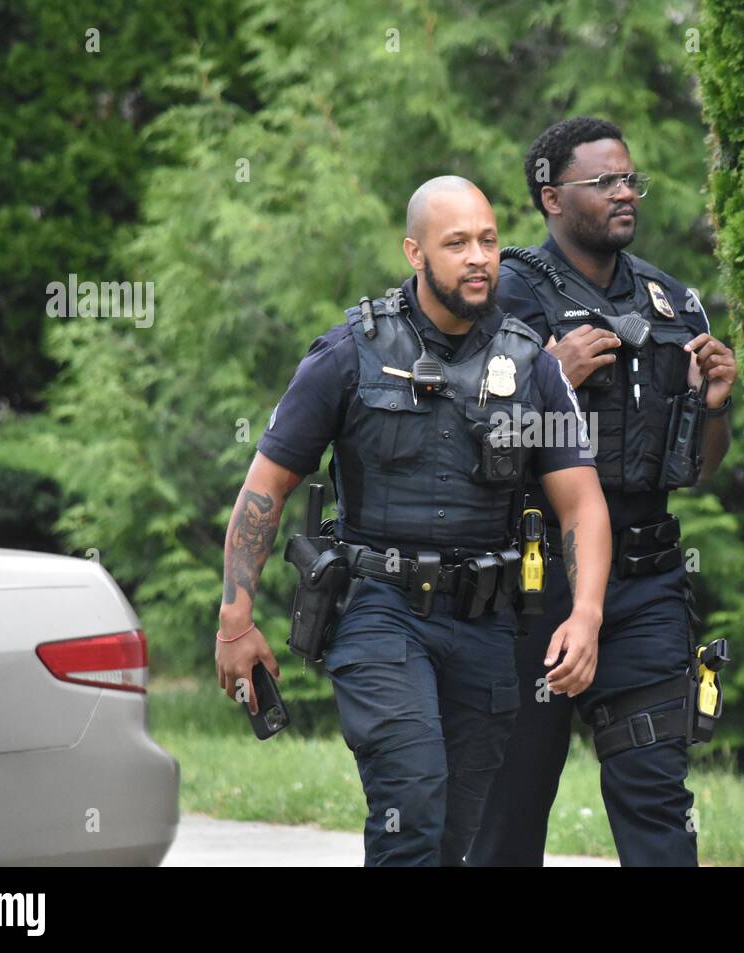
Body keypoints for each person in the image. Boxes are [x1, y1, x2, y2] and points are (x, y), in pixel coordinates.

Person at [214, 175, 611, 866]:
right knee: (412, 804)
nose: (479, 257)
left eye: (488, 240)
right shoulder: (348, 353)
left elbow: (581, 502)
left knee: (457, 835)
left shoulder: (530, 365)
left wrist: (587, 613)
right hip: (380, 611)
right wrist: (235, 621)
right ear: (414, 252)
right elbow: (264, 492)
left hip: (485, 622)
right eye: (456, 243)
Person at [468, 118, 738, 867]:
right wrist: (546, 377)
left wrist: (713, 403)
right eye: (605, 183)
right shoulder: (503, 302)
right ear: (552, 197)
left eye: (631, 180)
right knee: (510, 806)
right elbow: (465, 448)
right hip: (532, 588)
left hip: (646, 585)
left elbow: (697, 468)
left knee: (658, 796)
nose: (625, 193)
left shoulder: (671, 302)